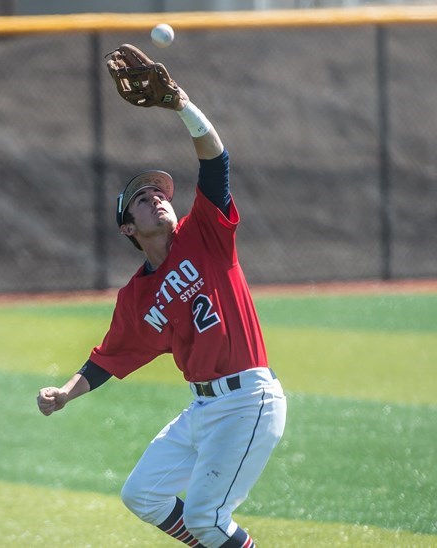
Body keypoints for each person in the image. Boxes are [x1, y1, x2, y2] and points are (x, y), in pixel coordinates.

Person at [37, 44, 287, 548]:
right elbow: (108, 358)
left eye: (160, 194)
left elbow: (216, 161)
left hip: (248, 401)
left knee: (206, 519)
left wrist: (182, 107)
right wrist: (65, 393)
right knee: (143, 494)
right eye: (143, 199)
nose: (157, 198)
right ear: (129, 228)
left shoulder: (206, 235)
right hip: (202, 411)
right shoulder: (136, 299)